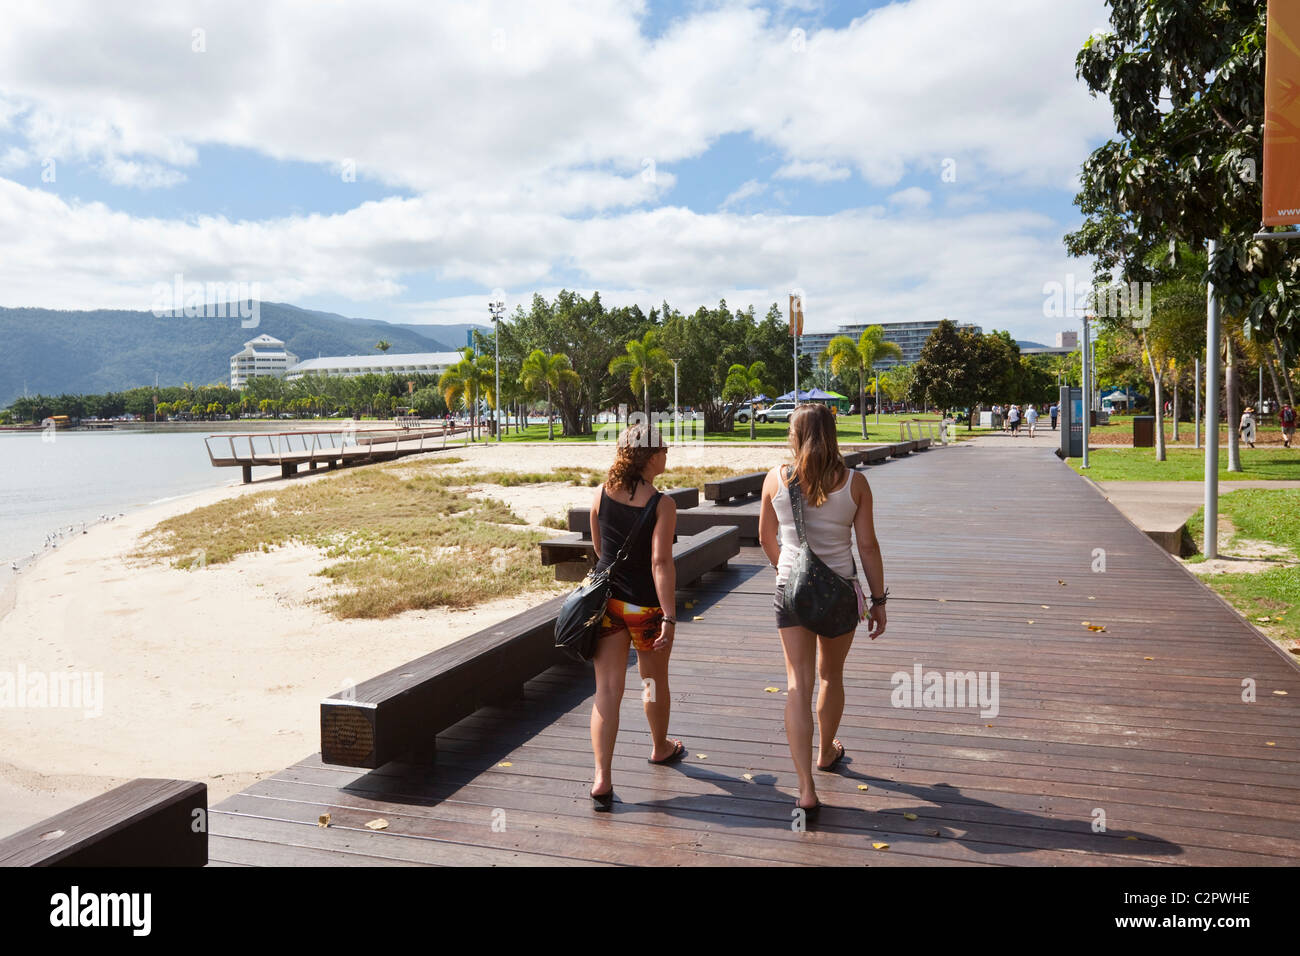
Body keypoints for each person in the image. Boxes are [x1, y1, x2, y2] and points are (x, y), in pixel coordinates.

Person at [758, 404, 887, 821]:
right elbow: (867, 546)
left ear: (795, 436)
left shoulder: (776, 479)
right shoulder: (855, 483)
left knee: (798, 683)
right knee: (831, 675)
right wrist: (879, 601)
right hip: (839, 595)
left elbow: (765, 537)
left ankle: (805, 790)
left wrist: (786, 570)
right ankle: (826, 752)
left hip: (791, 593)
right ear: (831, 434)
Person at [587, 423, 682, 811]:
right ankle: (660, 747)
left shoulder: (601, 494)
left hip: (608, 606)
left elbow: (599, 549)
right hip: (644, 607)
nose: (667, 453)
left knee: (607, 690)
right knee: (652, 682)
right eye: (662, 449)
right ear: (647, 456)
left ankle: (601, 778)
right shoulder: (661, 504)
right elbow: (660, 562)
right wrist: (670, 616)